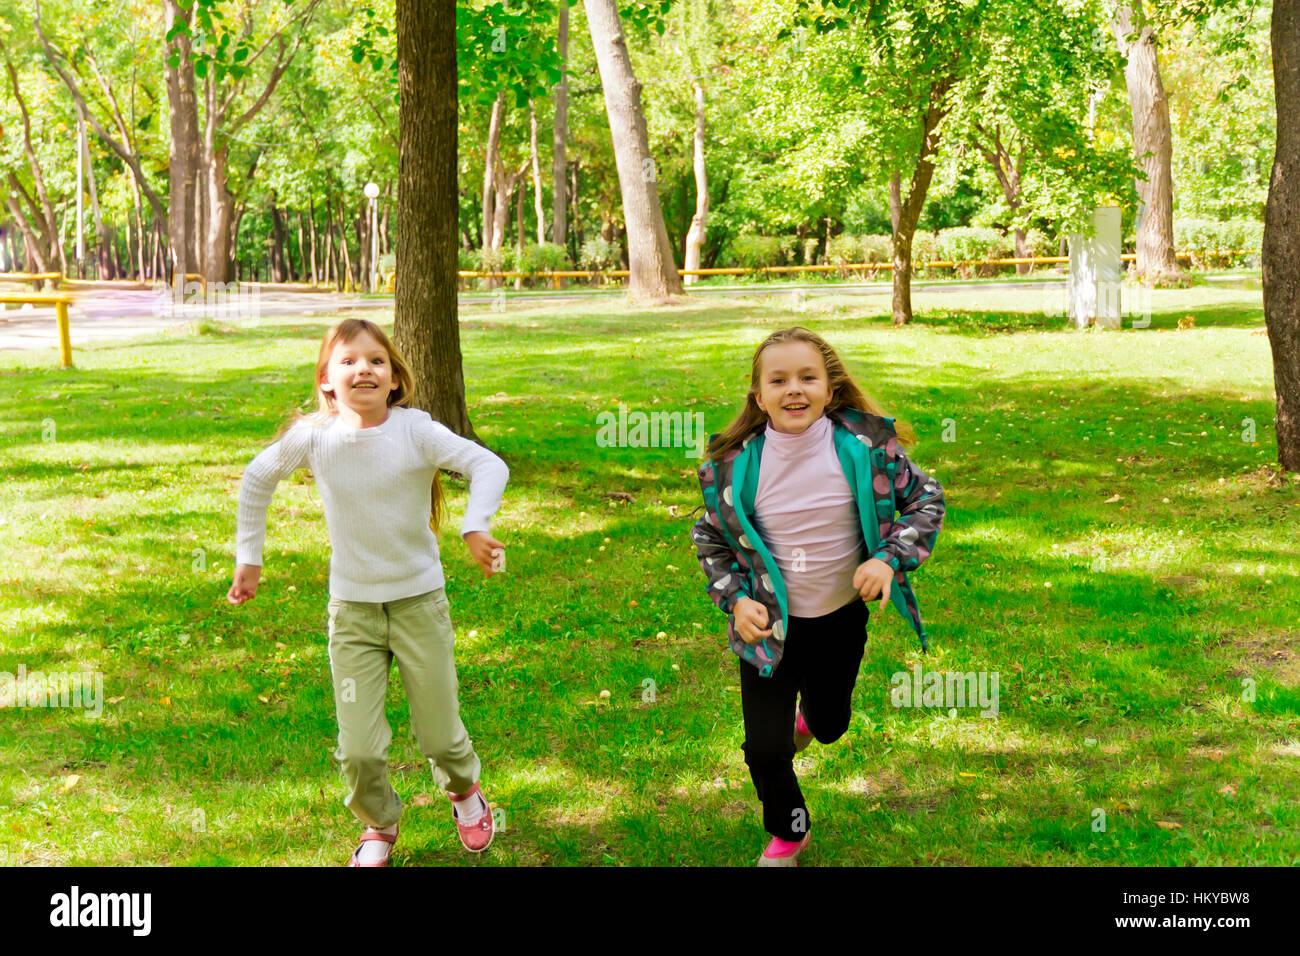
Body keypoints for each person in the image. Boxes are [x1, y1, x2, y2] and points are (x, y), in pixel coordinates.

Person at [227, 318, 508, 866]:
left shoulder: (417, 430)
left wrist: (475, 524)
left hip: (418, 605)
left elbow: (485, 464)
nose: (364, 369)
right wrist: (249, 558)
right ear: (326, 381)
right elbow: (257, 480)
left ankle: (463, 790)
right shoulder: (315, 436)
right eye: (349, 361)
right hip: (352, 611)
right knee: (357, 749)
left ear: (395, 379)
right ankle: (379, 824)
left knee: (440, 736)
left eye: (377, 360)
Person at [691, 326, 945, 866]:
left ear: (830, 389)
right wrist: (737, 601)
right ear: (758, 397)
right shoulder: (735, 468)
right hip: (770, 633)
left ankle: (811, 719)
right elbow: (710, 538)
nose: (794, 390)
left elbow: (925, 499)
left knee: (829, 725)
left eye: (808, 377)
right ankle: (789, 830)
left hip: (838, 622)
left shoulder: (866, 450)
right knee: (764, 748)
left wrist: (887, 557)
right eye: (778, 380)